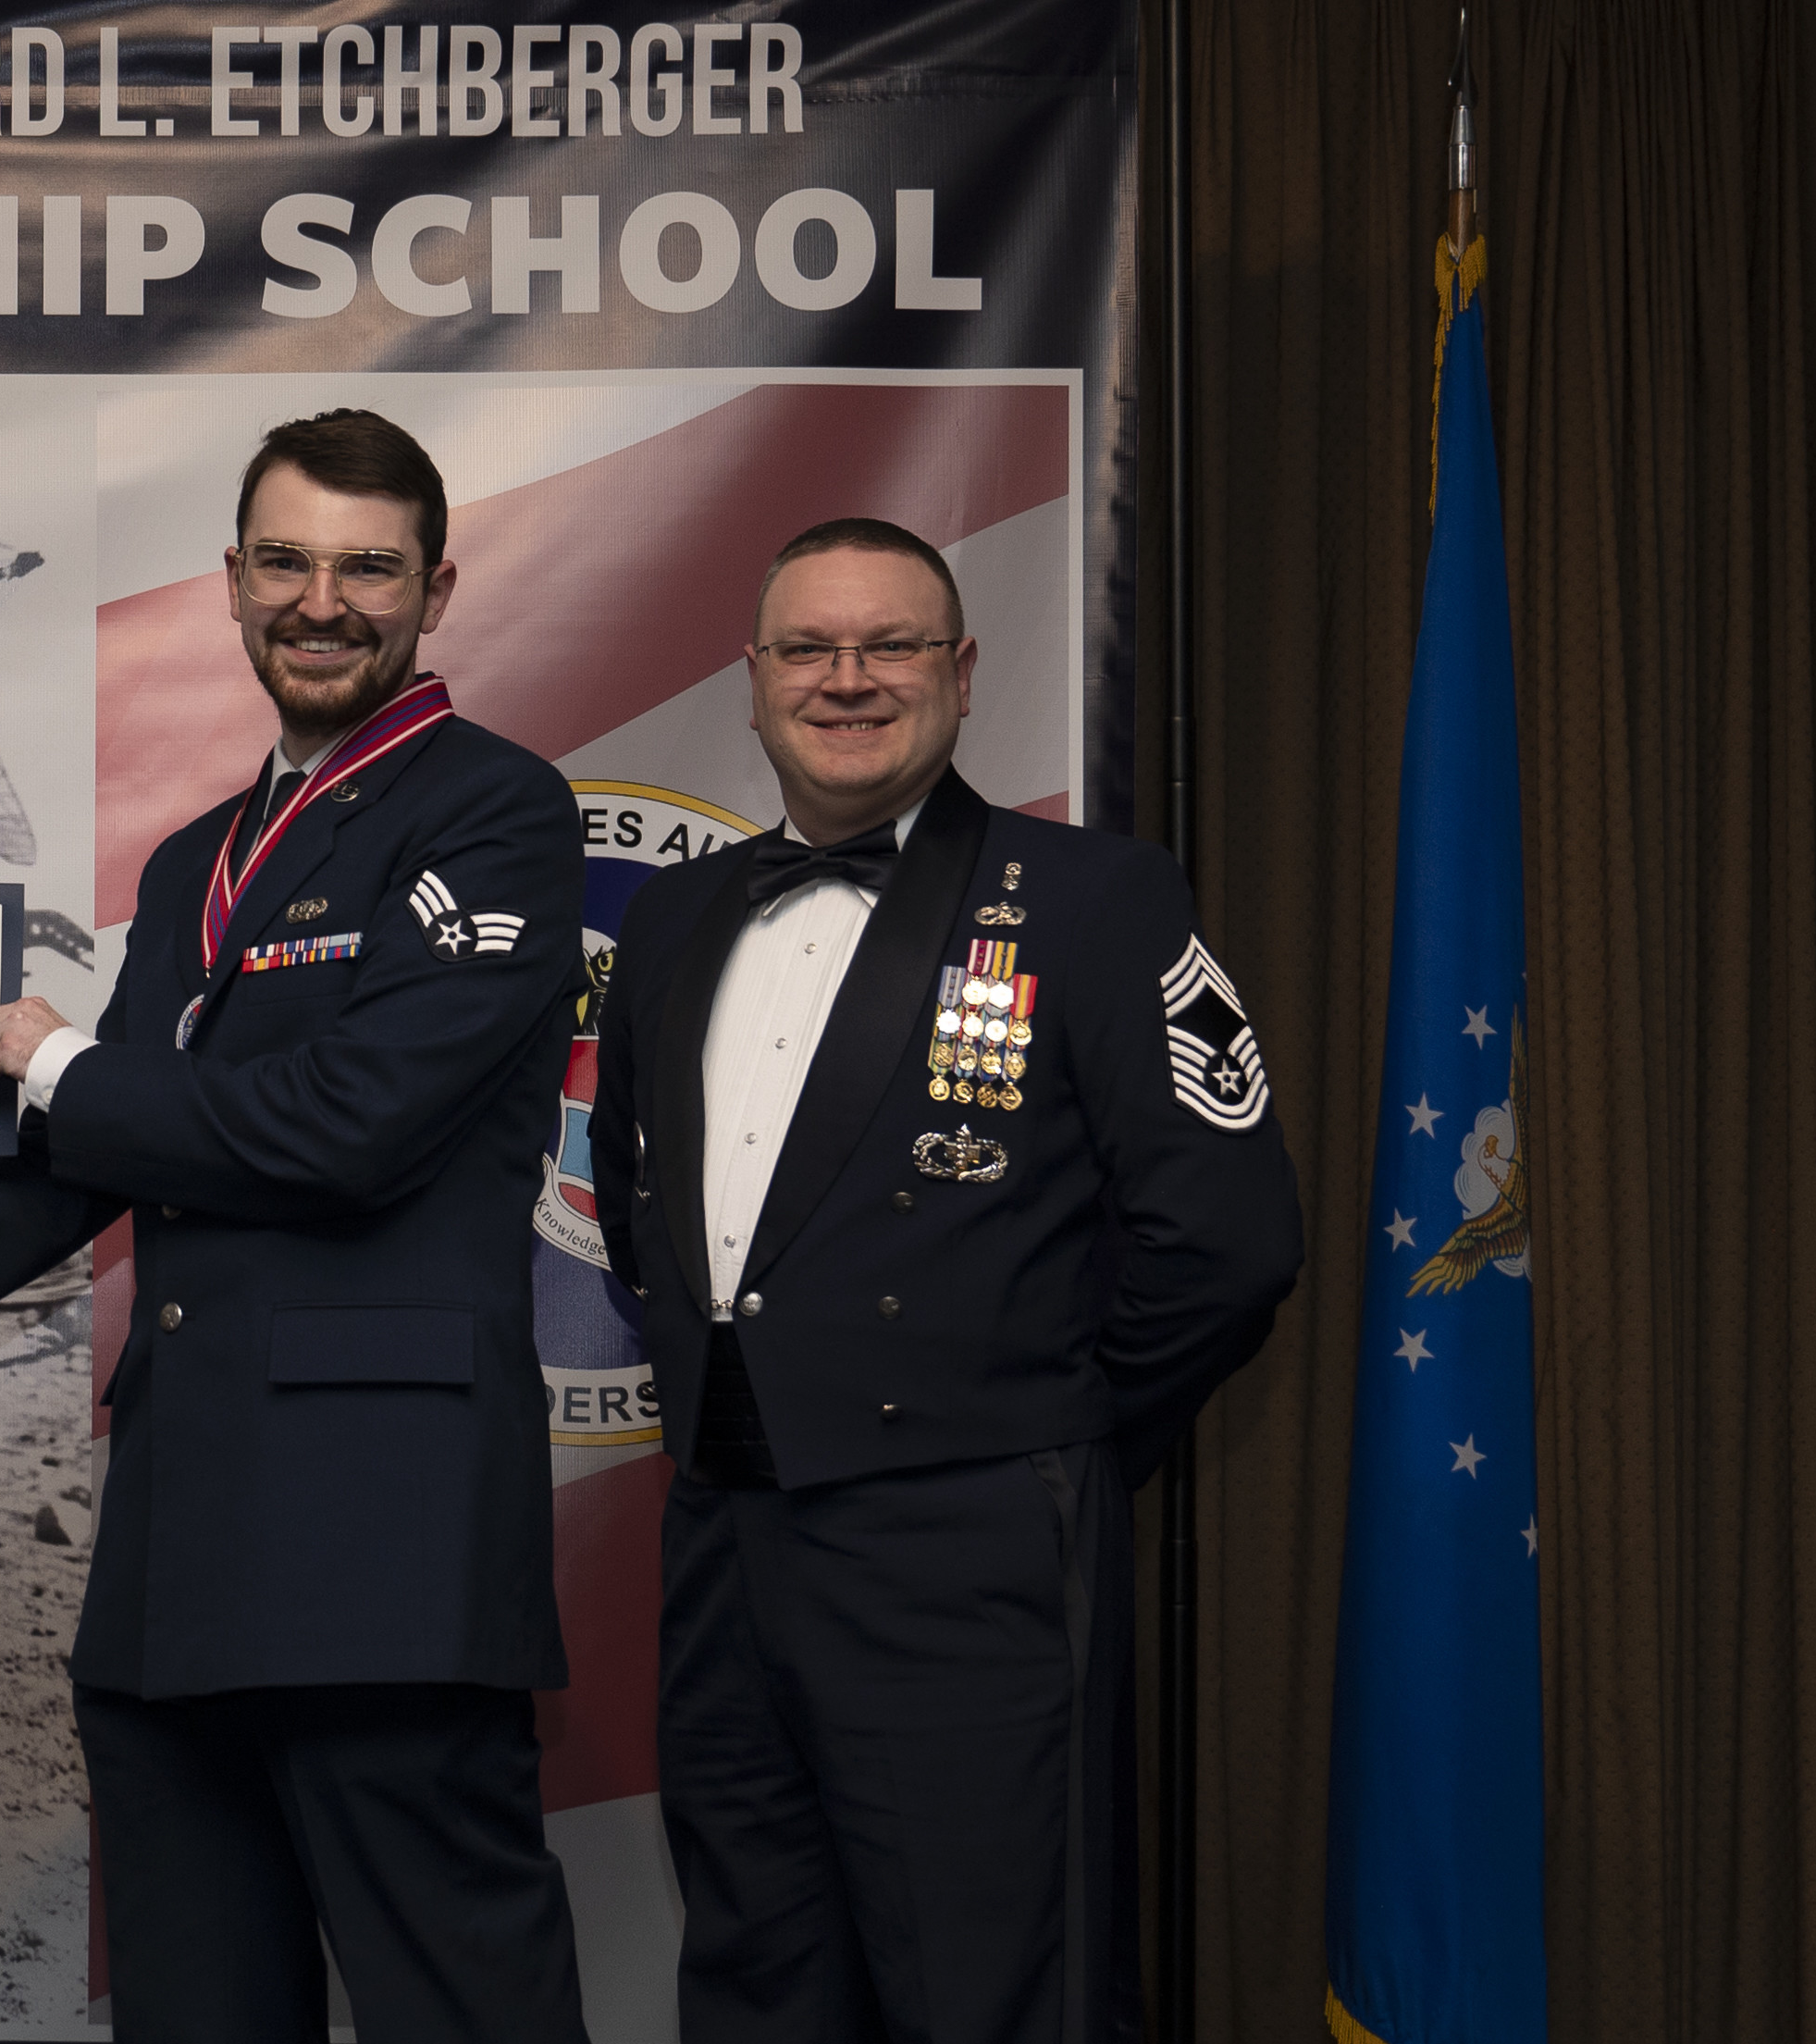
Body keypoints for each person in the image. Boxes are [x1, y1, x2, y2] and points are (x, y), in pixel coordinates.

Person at [0, 410, 593, 2043]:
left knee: (463, 2011)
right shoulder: (198, 861)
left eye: (367, 568)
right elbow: (73, 1164)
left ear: (435, 589)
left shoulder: (497, 813)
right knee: (192, 2013)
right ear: (234, 580)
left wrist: (57, 1056)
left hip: (382, 1557)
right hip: (178, 1556)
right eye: (286, 562)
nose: (321, 601)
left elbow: (349, 1127)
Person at [584, 517, 1305, 2041]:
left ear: (964, 673)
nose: (846, 679)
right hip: (725, 1546)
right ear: (754, 678)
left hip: (971, 1557)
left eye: (891, 645)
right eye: (808, 648)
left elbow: (1228, 1240)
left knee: (998, 1995)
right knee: (758, 1986)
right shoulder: (674, 917)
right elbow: (641, 1204)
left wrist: (1040, 1438)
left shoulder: (1096, 900)